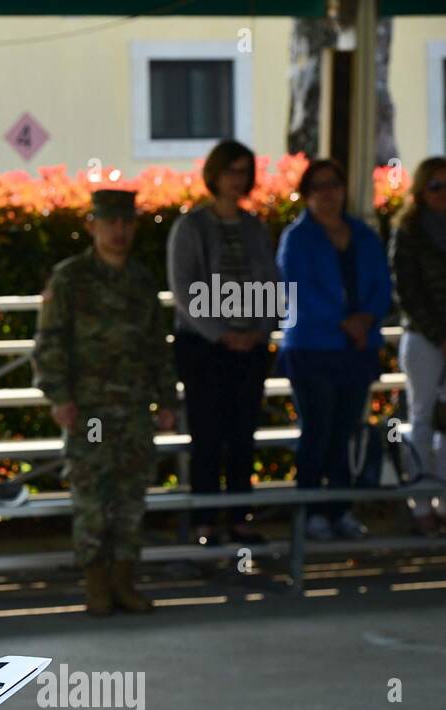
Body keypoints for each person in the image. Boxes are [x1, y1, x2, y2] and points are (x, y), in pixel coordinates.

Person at [33, 189, 179, 617]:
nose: (119, 231)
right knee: (93, 498)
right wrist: (59, 396)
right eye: (110, 222)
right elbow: (50, 342)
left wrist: (167, 399)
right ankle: (97, 584)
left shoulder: (140, 279)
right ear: (92, 224)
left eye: (126, 222)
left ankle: (124, 581)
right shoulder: (70, 278)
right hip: (89, 410)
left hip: (133, 409)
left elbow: (157, 347)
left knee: (131, 496)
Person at [166, 139, 279, 547]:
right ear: (215, 173)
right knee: (208, 434)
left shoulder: (254, 226)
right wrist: (221, 333)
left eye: (244, 171)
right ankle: (205, 521)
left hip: (250, 349)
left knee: (243, 433)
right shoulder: (191, 226)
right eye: (231, 170)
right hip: (204, 348)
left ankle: (240, 516)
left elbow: (270, 283)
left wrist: (259, 331)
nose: (237, 179)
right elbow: (184, 288)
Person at [276, 158, 392, 541]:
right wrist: (343, 321)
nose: (328, 194)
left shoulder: (363, 234)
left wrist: (366, 319)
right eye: (319, 187)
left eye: (334, 185)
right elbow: (299, 290)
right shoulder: (297, 238)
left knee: (345, 430)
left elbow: (381, 286)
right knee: (317, 430)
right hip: (312, 347)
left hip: (356, 349)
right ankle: (309, 511)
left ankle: (340, 508)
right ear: (307, 194)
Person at [388, 156, 446, 535]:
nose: (443, 195)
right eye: (436, 187)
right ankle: (421, 502)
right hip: (423, 339)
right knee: (422, 418)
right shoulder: (407, 231)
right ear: (421, 191)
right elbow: (406, 290)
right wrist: (438, 334)